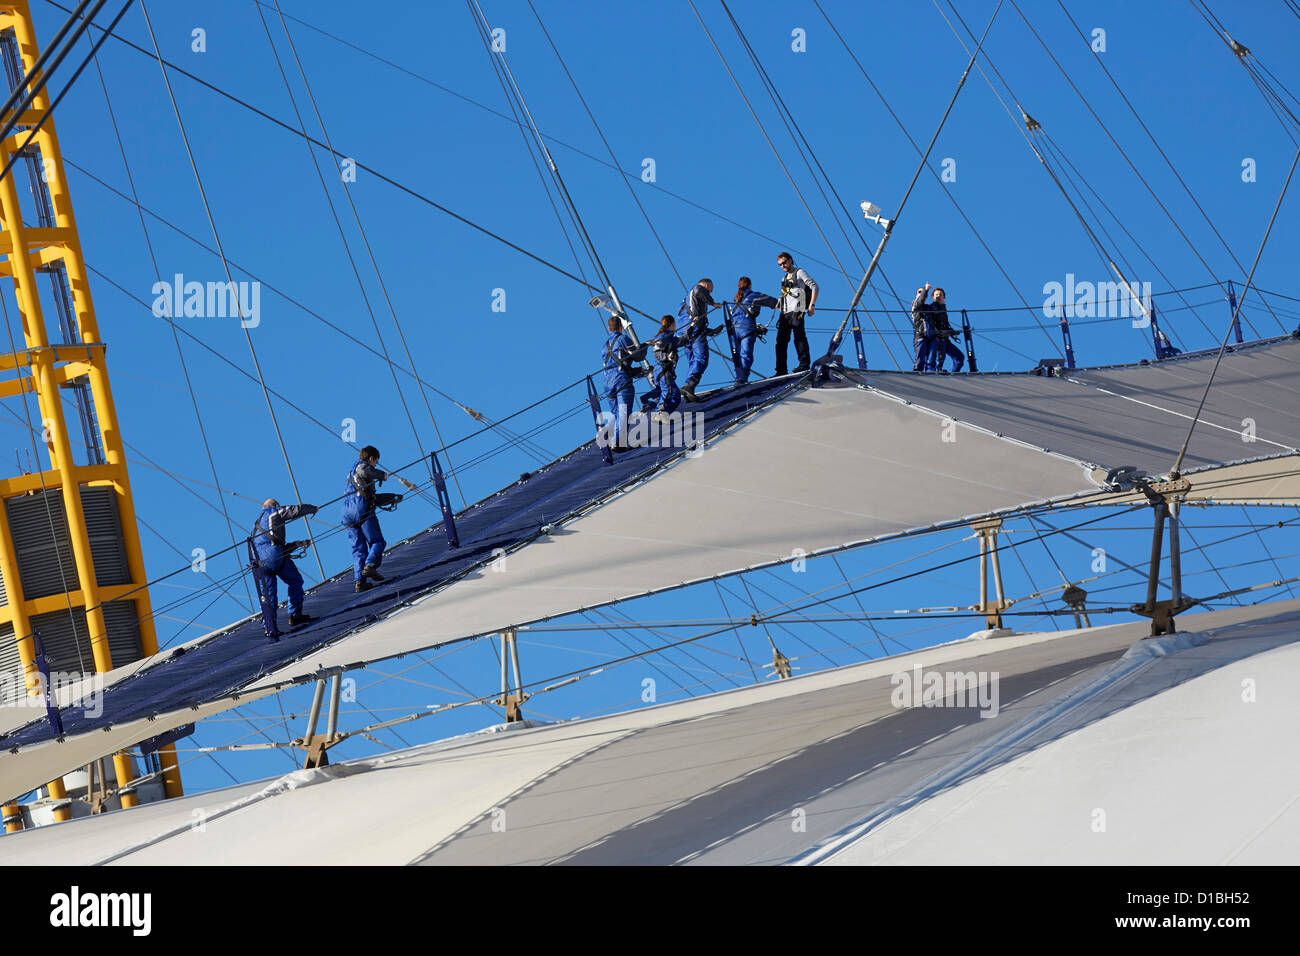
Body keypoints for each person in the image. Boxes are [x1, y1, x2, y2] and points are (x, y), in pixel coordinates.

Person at [249, 497, 319, 641]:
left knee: (269, 596)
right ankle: (295, 615)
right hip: (274, 559)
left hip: (259, 564)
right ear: (274, 505)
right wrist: (312, 508)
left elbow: (270, 545)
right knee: (295, 581)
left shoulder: (256, 526)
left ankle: (269, 626)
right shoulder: (273, 513)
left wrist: (296, 544)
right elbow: (293, 511)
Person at [342, 445, 401, 592]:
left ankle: (359, 582)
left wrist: (391, 497)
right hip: (361, 510)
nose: (375, 465)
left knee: (358, 550)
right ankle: (370, 566)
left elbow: (371, 498)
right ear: (371, 458)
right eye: (376, 462)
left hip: (347, 514)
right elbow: (365, 471)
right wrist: (382, 475)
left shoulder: (350, 476)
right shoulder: (362, 467)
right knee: (377, 541)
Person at [677, 278, 720, 402]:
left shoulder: (687, 301)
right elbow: (699, 291)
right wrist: (713, 303)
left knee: (693, 360)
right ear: (707, 285)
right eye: (710, 291)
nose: (709, 294)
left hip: (685, 334)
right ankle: (689, 385)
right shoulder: (697, 289)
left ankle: (688, 388)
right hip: (694, 331)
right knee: (702, 358)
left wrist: (710, 331)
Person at [775, 252, 818, 375]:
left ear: (790, 260)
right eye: (780, 265)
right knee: (781, 342)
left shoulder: (799, 272)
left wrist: (811, 305)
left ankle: (804, 364)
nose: (782, 266)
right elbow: (784, 294)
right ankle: (780, 370)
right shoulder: (784, 278)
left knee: (799, 337)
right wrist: (780, 305)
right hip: (785, 312)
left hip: (798, 309)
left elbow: (814, 287)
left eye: (784, 263)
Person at [649, 314, 697, 423]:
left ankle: (662, 414)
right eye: (674, 324)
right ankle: (660, 413)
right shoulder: (663, 337)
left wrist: (692, 326)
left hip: (664, 371)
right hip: (662, 370)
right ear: (672, 324)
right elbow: (656, 352)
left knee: (674, 396)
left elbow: (683, 340)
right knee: (672, 393)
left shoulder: (670, 337)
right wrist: (667, 357)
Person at [730, 276, 778, 384]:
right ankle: (743, 377)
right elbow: (771, 301)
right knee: (746, 354)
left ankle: (738, 378)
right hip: (746, 328)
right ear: (750, 285)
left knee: (737, 356)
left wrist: (758, 331)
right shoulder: (753, 295)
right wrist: (782, 305)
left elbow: (736, 317)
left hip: (733, 330)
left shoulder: (734, 301)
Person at [601, 314, 635, 449]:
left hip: (607, 382)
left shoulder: (604, 345)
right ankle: (618, 442)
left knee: (615, 412)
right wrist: (644, 345)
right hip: (620, 379)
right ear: (621, 327)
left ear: (609, 329)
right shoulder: (623, 339)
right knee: (623, 411)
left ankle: (609, 436)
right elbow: (637, 355)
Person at [925, 287, 964, 374]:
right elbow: (931, 323)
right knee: (938, 359)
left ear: (944, 297)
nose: (938, 296)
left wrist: (952, 332)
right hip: (937, 339)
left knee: (959, 357)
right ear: (933, 297)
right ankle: (936, 373)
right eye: (936, 295)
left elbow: (944, 324)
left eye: (940, 294)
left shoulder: (943, 308)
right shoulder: (932, 308)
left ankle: (952, 374)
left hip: (945, 339)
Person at [911, 283, 936, 373]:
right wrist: (925, 289)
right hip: (920, 335)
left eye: (923, 292)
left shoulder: (930, 308)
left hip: (932, 336)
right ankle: (917, 373)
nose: (921, 293)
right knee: (920, 359)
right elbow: (919, 301)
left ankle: (931, 373)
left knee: (932, 359)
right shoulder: (915, 305)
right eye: (919, 292)